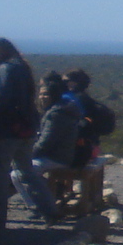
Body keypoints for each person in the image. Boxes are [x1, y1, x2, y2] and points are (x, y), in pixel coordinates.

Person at [0, 38, 37, 229]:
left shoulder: (6, 69)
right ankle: (48, 209)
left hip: (5, 129)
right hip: (24, 126)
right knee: (26, 170)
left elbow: (0, 100)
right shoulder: (23, 67)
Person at [16, 72, 84, 224]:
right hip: (58, 155)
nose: (42, 97)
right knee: (20, 172)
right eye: (41, 94)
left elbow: (46, 142)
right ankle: (41, 204)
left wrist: (26, 155)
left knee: (20, 172)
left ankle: (39, 207)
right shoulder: (59, 109)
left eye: (46, 94)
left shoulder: (57, 114)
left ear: (54, 95)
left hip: (57, 157)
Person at [63, 68, 116, 169]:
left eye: (65, 81)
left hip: (81, 150)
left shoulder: (72, 101)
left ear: (73, 83)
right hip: (93, 148)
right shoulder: (87, 99)